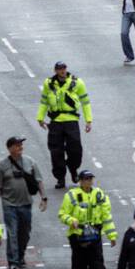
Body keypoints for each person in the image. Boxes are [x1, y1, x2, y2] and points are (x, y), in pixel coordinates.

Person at [57, 169, 117, 269]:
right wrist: (71, 220)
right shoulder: (71, 196)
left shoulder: (99, 194)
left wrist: (112, 235)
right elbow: (62, 214)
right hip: (77, 238)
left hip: (95, 236)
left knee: (98, 267)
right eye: (86, 179)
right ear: (80, 181)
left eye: (91, 179)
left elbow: (106, 216)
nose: (89, 182)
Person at [0, 136, 48, 269]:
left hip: (26, 203)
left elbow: (38, 180)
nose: (20, 147)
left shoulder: (30, 162)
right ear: (9, 148)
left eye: (21, 145)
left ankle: (20, 255)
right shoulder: (2, 166)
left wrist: (44, 197)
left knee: (25, 233)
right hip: (9, 204)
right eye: (17, 145)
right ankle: (13, 262)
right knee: (12, 233)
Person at [36, 61, 92, 189]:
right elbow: (44, 101)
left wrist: (88, 120)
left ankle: (73, 169)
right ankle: (60, 178)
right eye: (60, 69)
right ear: (55, 70)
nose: (62, 71)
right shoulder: (49, 84)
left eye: (64, 68)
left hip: (71, 121)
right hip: (55, 122)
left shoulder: (77, 83)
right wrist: (40, 118)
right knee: (56, 152)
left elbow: (85, 102)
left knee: (76, 150)